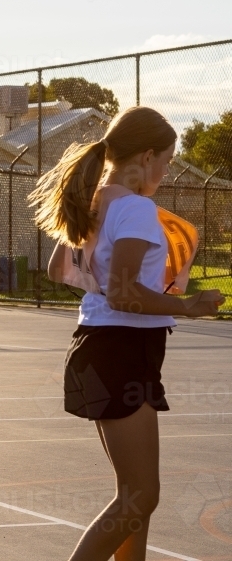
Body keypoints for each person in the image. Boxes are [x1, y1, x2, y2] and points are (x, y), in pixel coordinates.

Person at [32, 106, 224, 561]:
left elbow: (58, 269)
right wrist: (185, 305)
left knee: (136, 497)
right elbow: (122, 293)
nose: (168, 170)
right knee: (140, 496)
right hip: (121, 350)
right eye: (168, 160)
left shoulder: (95, 199)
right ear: (147, 155)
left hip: (98, 347)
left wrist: (125, 285)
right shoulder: (136, 208)